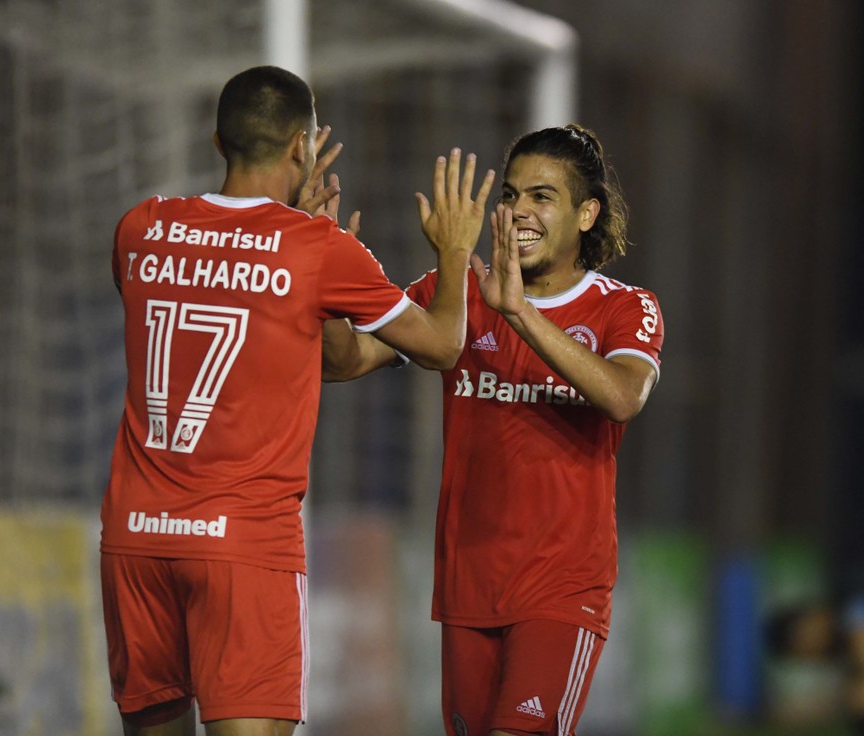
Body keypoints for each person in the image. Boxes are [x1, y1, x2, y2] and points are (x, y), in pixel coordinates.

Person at [99, 64, 493, 736]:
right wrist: (455, 253)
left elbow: (321, 356)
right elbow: (442, 346)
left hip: (135, 538)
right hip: (242, 544)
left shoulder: (140, 227)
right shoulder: (315, 248)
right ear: (302, 147)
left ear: (218, 143)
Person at [325, 124, 664, 736]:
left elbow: (621, 397)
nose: (519, 211)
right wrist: (325, 279)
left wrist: (519, 312)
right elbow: (344, 361)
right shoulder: (454, 295)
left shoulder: (623, 306)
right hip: (468, 585)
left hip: (562, 588)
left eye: (542, 196)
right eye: (510, 195)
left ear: (586, 215)